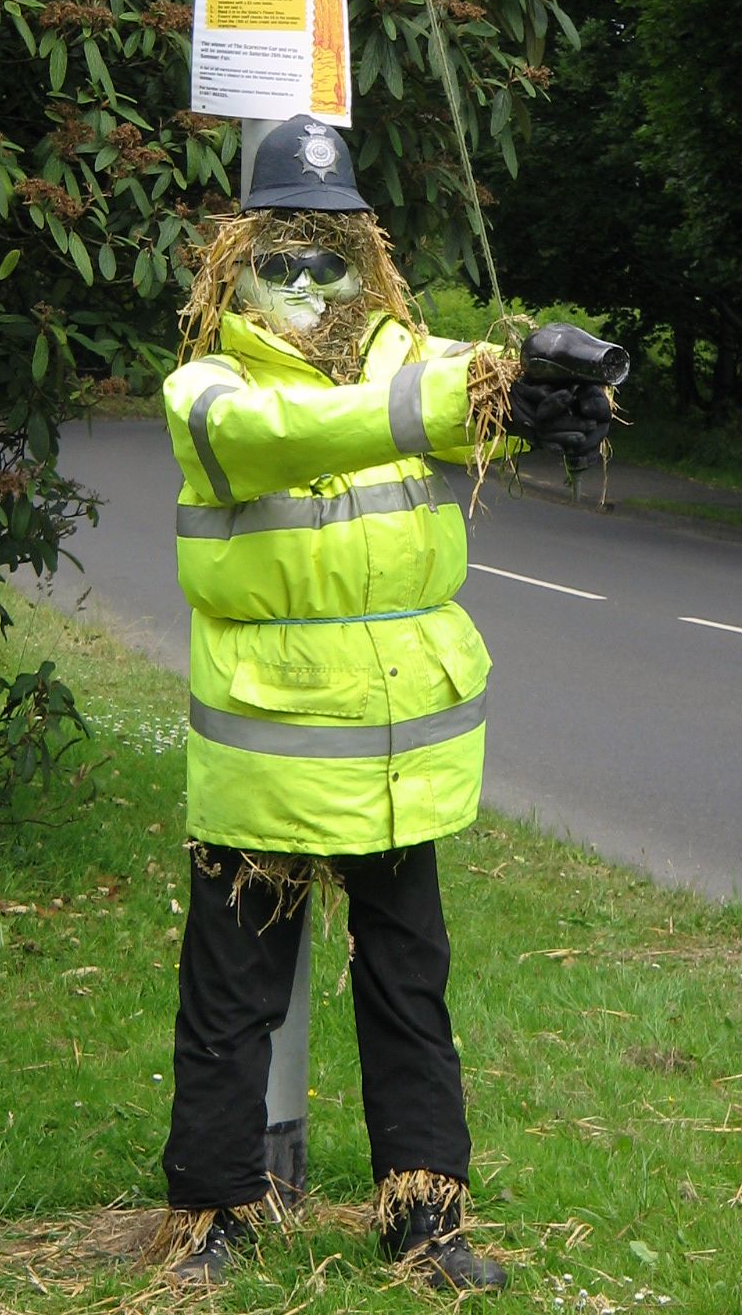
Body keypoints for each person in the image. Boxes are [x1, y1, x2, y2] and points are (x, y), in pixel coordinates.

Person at [156, 114, 612, 1290]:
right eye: (282, 261)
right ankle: (208, 1215)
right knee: (232, 999)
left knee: (410, 990)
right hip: (269, 760)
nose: (310, 287)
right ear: (233, 265)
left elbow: (459, 397)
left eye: (333, 261)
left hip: (401, 755)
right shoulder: (206, 391)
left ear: (373, 263)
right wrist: (473, 398)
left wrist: (544, 402)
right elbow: (302, 432)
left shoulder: (415, 362)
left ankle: (425, 1218)